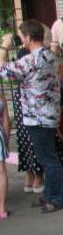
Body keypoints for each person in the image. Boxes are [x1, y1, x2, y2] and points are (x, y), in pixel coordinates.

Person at [0, 20, 63, 213]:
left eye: (22, 37)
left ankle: (60, 197)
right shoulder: (51, 55)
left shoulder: (30, 60)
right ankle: (50, 193)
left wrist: (4, 47)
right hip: (49, 114)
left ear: (29, 38)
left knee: (47, 158)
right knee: (48, 157)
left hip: (37, 117)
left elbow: (3, 70)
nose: (21, 41)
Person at [0, 88, 9, 219]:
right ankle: (1, 207)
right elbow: (6, 121)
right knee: (1, 171)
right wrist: (6, 140)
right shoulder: (1, 97)